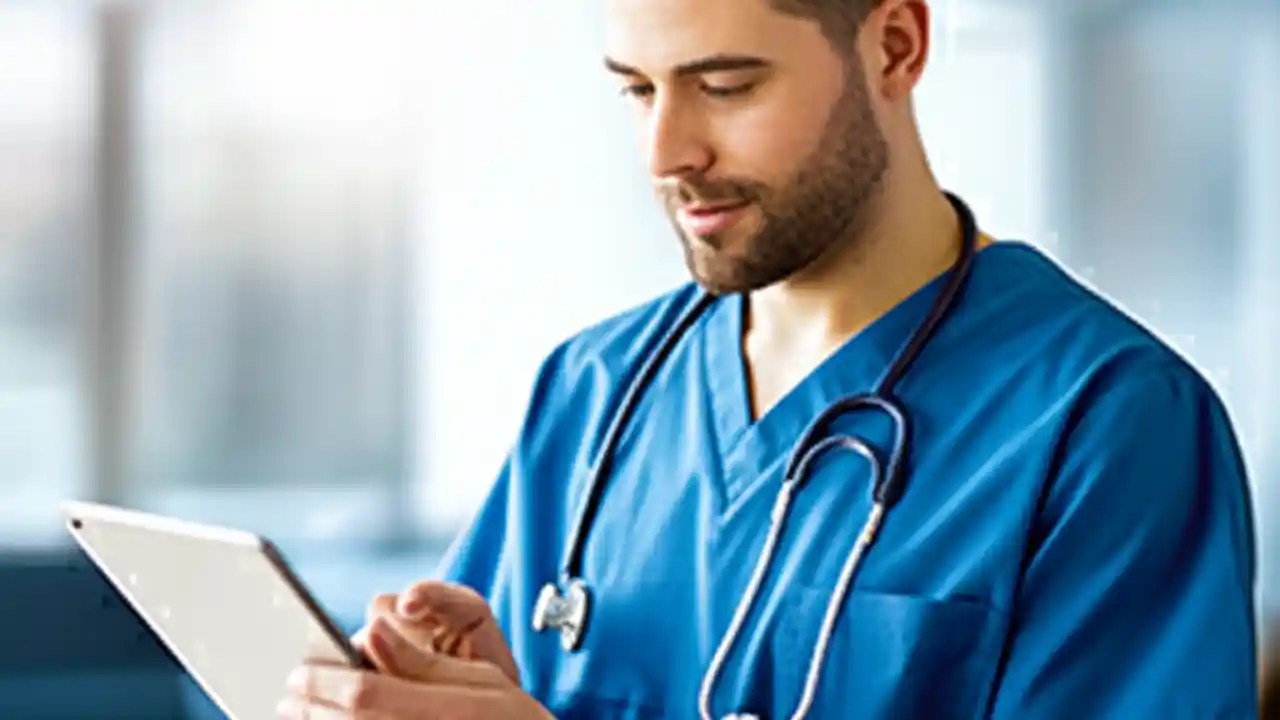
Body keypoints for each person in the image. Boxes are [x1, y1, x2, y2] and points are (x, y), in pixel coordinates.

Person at [277, 0, 1258, 717]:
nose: (666, 151)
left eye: (724, 86)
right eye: (636, 90)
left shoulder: (1105, 421)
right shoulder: (594, 389)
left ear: (894, 45)